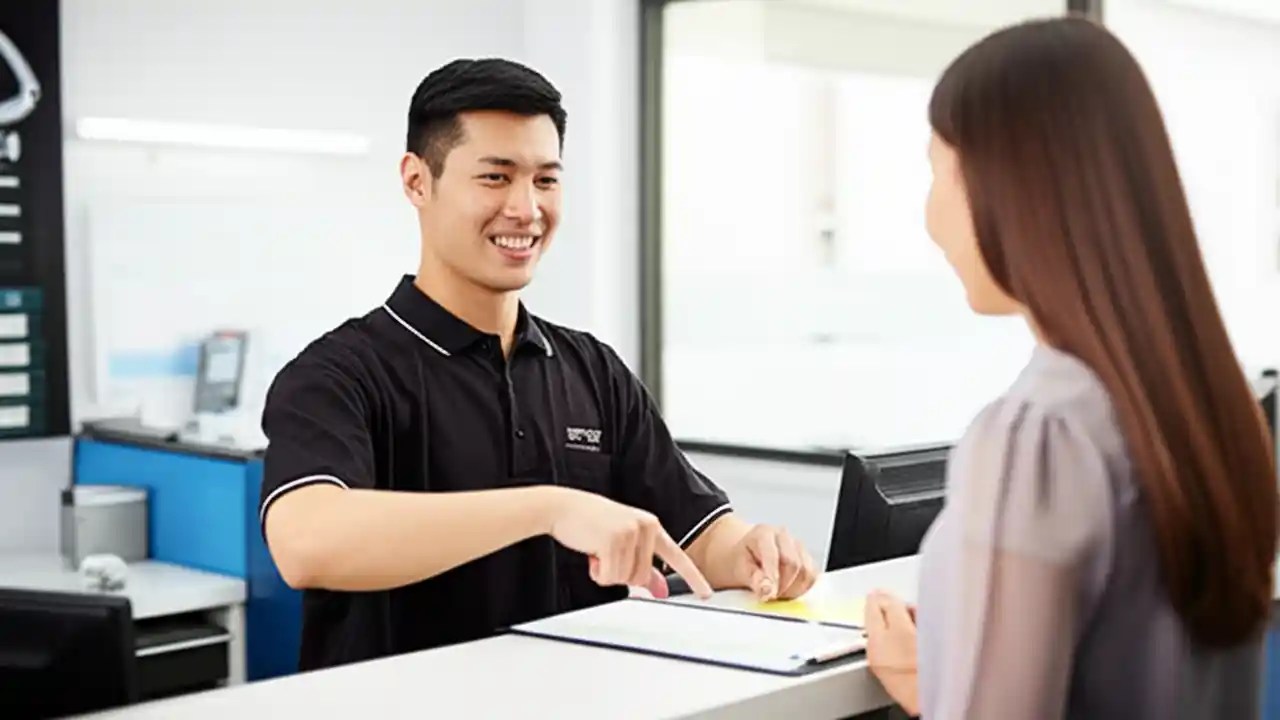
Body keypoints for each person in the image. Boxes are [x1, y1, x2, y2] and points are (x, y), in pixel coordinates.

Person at [258, 58, 818, 671]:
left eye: (546, 181)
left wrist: (754, 553)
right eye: (496, 178)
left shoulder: (591, 369)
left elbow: (701, 536)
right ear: (418, 182)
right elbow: (307, 542)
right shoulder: (337, 374)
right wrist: (550, 508)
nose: (526, 209)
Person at [865, 17, 1278, 719]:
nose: (930, 217)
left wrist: (932, 689)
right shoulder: (1215, 402)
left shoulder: (1036, 434)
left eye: (940, 172)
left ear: (1015, 189)